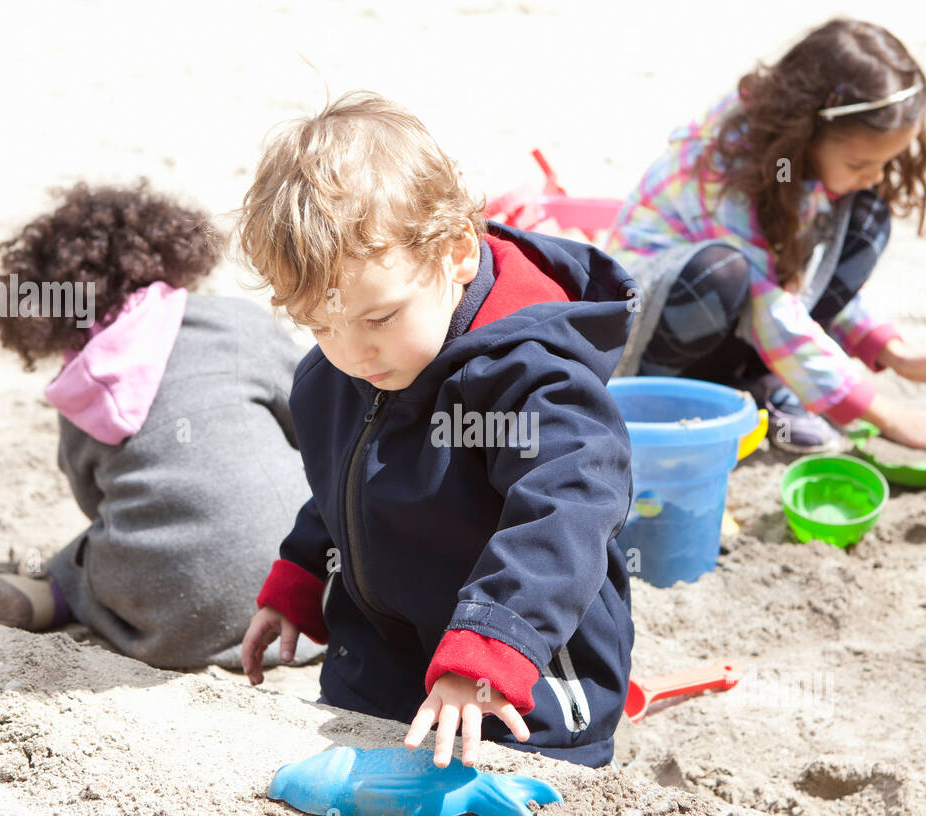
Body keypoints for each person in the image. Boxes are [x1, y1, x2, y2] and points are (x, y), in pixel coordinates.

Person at [236, 92, 636, 768]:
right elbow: (352, 474)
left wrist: (490, 649)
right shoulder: (342, 371)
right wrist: (303, 571)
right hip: (384, 662)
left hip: (521, 676)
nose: (353, 352)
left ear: (456, 253)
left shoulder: (532, 378)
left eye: (380, 317)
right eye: (321, 325)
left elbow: (568, 509)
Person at [0, 181, 318, 670]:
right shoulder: (235, 324)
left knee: (97, 550)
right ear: (169, 251)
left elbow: (93, 501)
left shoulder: (78, 387)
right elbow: (311, 421)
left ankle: (45, 594)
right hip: (302, 604)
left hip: (164, 625)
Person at [607, 18, 926, 454]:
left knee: (867, 217)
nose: (876, 176)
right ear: (806, 133)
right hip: (651, 327)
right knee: (722, 272)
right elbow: (769, 306)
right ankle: (658, 405)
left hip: (742, 323)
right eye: (859, 163)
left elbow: (804, 274)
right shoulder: (722, 164)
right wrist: (886, 414)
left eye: (887, 161)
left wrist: (890, 351)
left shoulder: (797, 162)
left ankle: (766, 387)